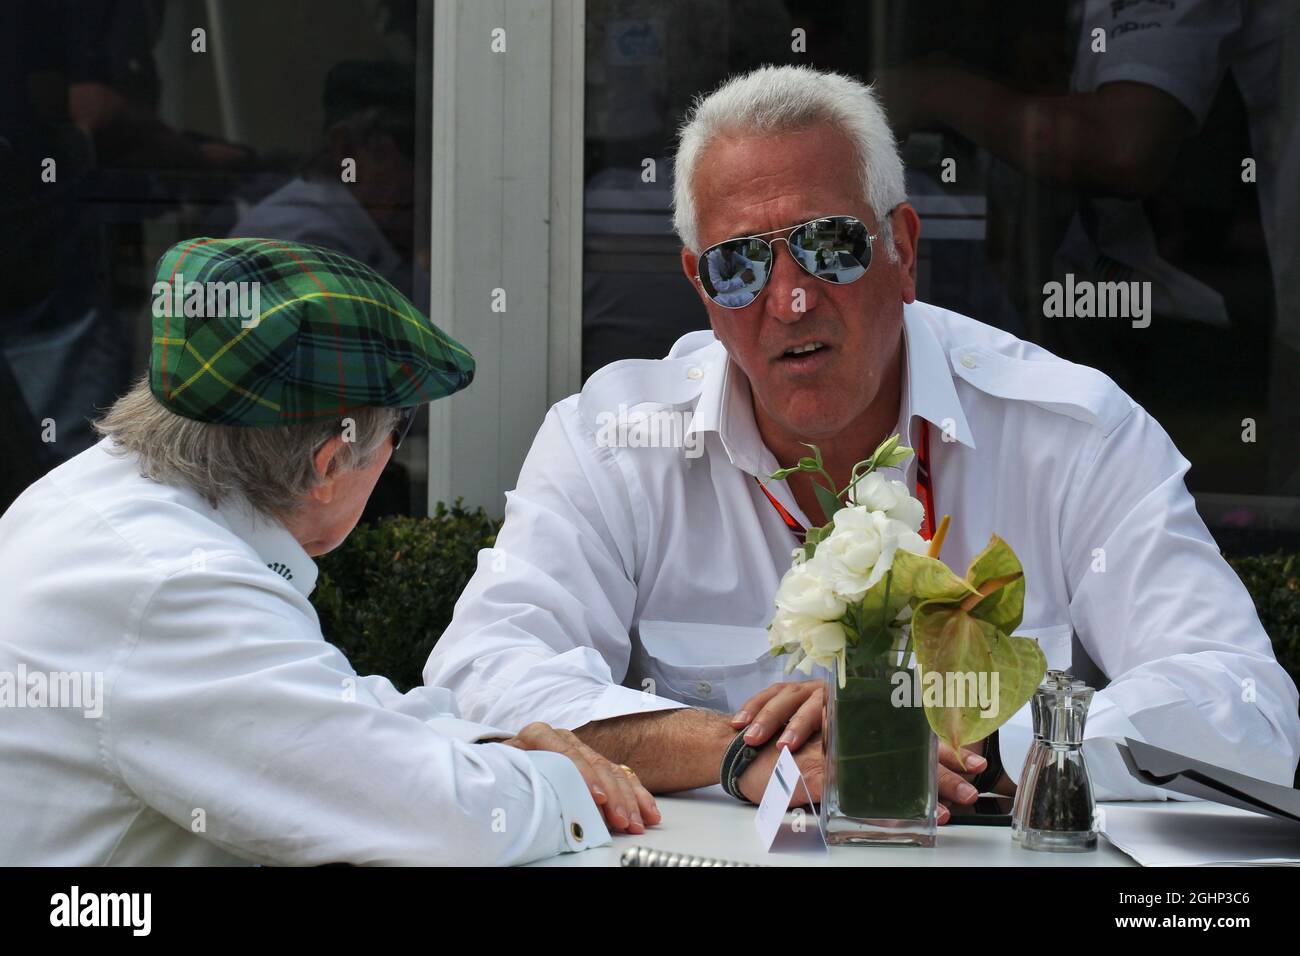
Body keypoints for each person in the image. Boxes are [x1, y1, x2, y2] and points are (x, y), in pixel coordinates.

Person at [424, 66, 1300, 818]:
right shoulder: (614, 442)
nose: (790, 299)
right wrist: (738, 752)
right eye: (741, 264)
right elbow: (479, 678)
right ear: (701, 287)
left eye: (830, 246)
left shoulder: (1070, 432)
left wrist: (971, 736)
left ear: (903, 248)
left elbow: (1246, 708)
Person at [0, 237, 657, 866]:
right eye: (400, 431)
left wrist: (494, 745)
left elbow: (327, 712)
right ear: (332, 461)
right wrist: (567, 782)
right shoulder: (174, 585)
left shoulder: (94, 496)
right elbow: (439, 820)